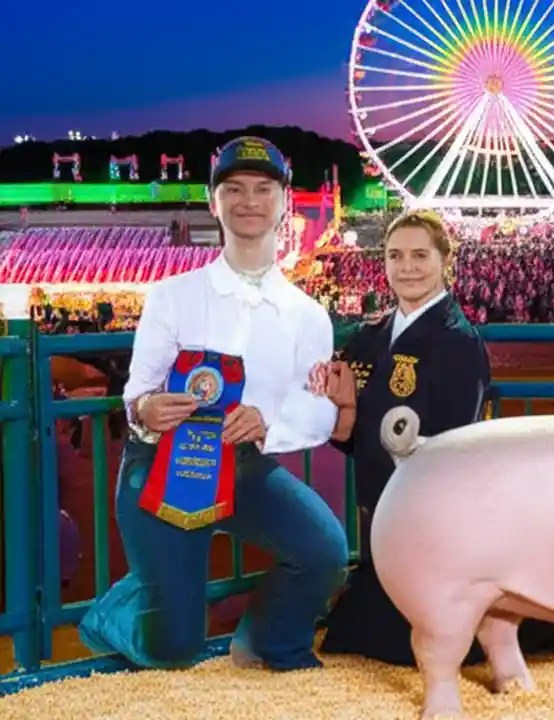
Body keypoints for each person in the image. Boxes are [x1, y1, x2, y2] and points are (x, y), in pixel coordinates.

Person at [78, 136, 349, 671]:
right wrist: (147, 410)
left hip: (245, 468)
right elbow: (138, 391)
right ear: (213, 201)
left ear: (283, 202)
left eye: (264, 189)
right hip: (162, 467)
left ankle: (268, 641)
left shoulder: (308, 314)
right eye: (235, 189)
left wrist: (268, 424)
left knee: (325, 552)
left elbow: (318, 409)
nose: (249, 200)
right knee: (175, 646)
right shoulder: (171, 295)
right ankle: (113, 613)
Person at [312, 209, 554, 666]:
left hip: (432, 526)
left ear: (445, 261)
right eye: (396, 255)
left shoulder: (458, 341)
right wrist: (341, 412)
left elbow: (453, 447)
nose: (407, 267)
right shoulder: (367, 339)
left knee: (377, 637)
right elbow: (352, 438)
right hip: (380, 518)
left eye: (419, 255)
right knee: (353, 633)